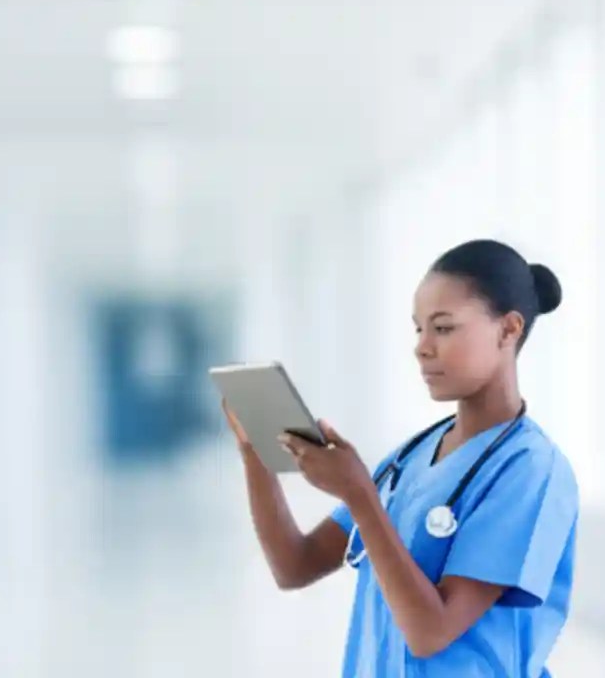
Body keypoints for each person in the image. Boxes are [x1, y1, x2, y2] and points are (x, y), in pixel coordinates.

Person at [224, 239, 578, 678]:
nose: (422, 347)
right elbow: (295, 565)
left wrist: (358, 494)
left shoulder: (529, 470)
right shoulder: (409, 460)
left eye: (443, 328)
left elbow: (430, 632)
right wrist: (254, 453)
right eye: (418, 329)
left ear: (508, 330)